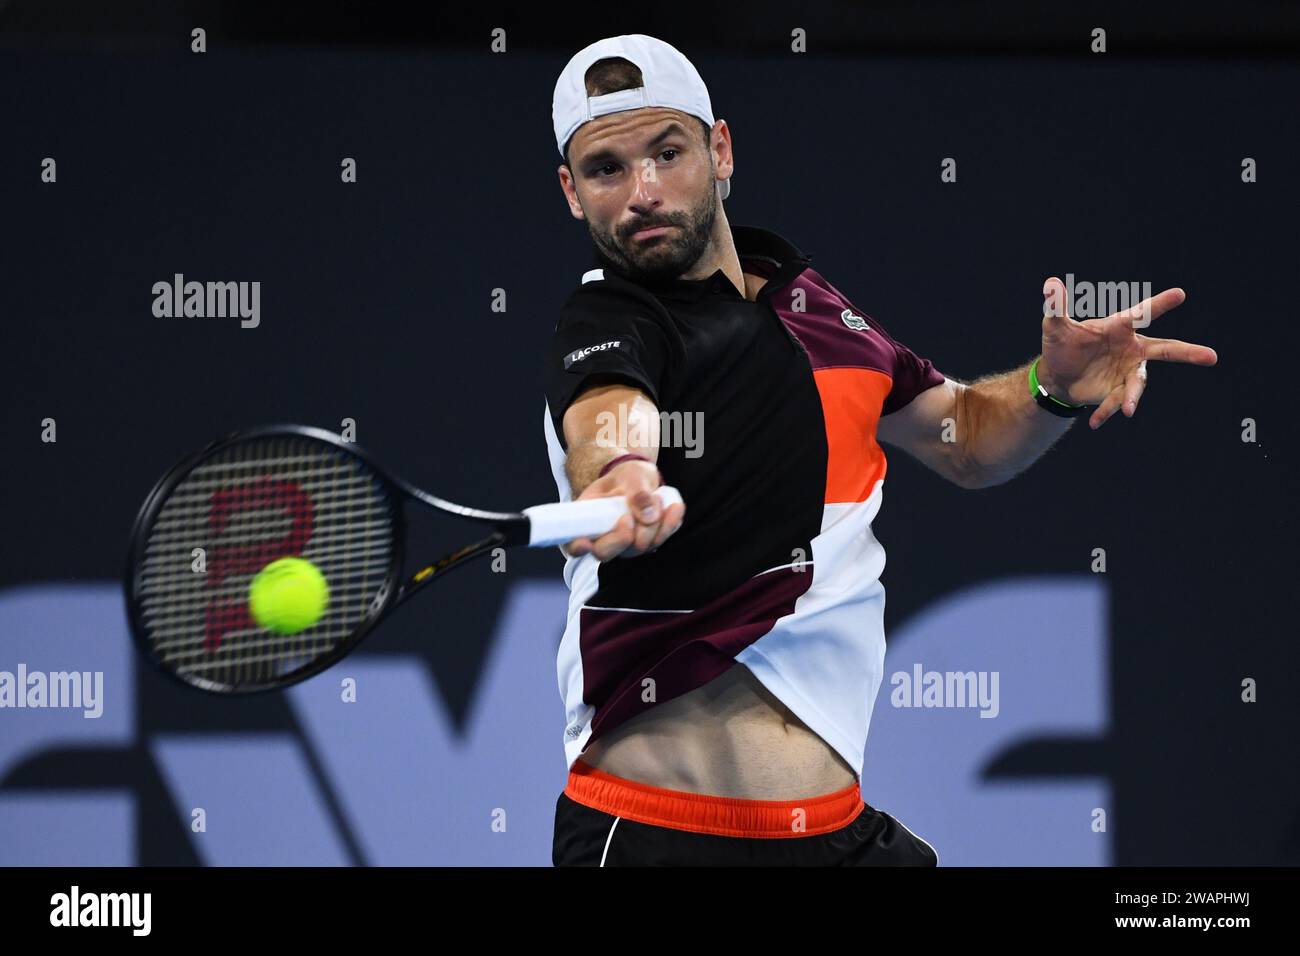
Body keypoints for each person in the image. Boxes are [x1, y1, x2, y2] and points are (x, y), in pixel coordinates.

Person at [542, 35, 1217, 866]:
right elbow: (606, 416)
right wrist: (624, 476)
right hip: (661, 835)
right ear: (573, 194)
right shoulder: (612, 322)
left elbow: (965, 438)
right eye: (607, 170)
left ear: (719, 150)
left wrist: (1052, 386)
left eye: (667, 153)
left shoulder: (813, 306)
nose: (643, 192)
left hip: (838, 833)